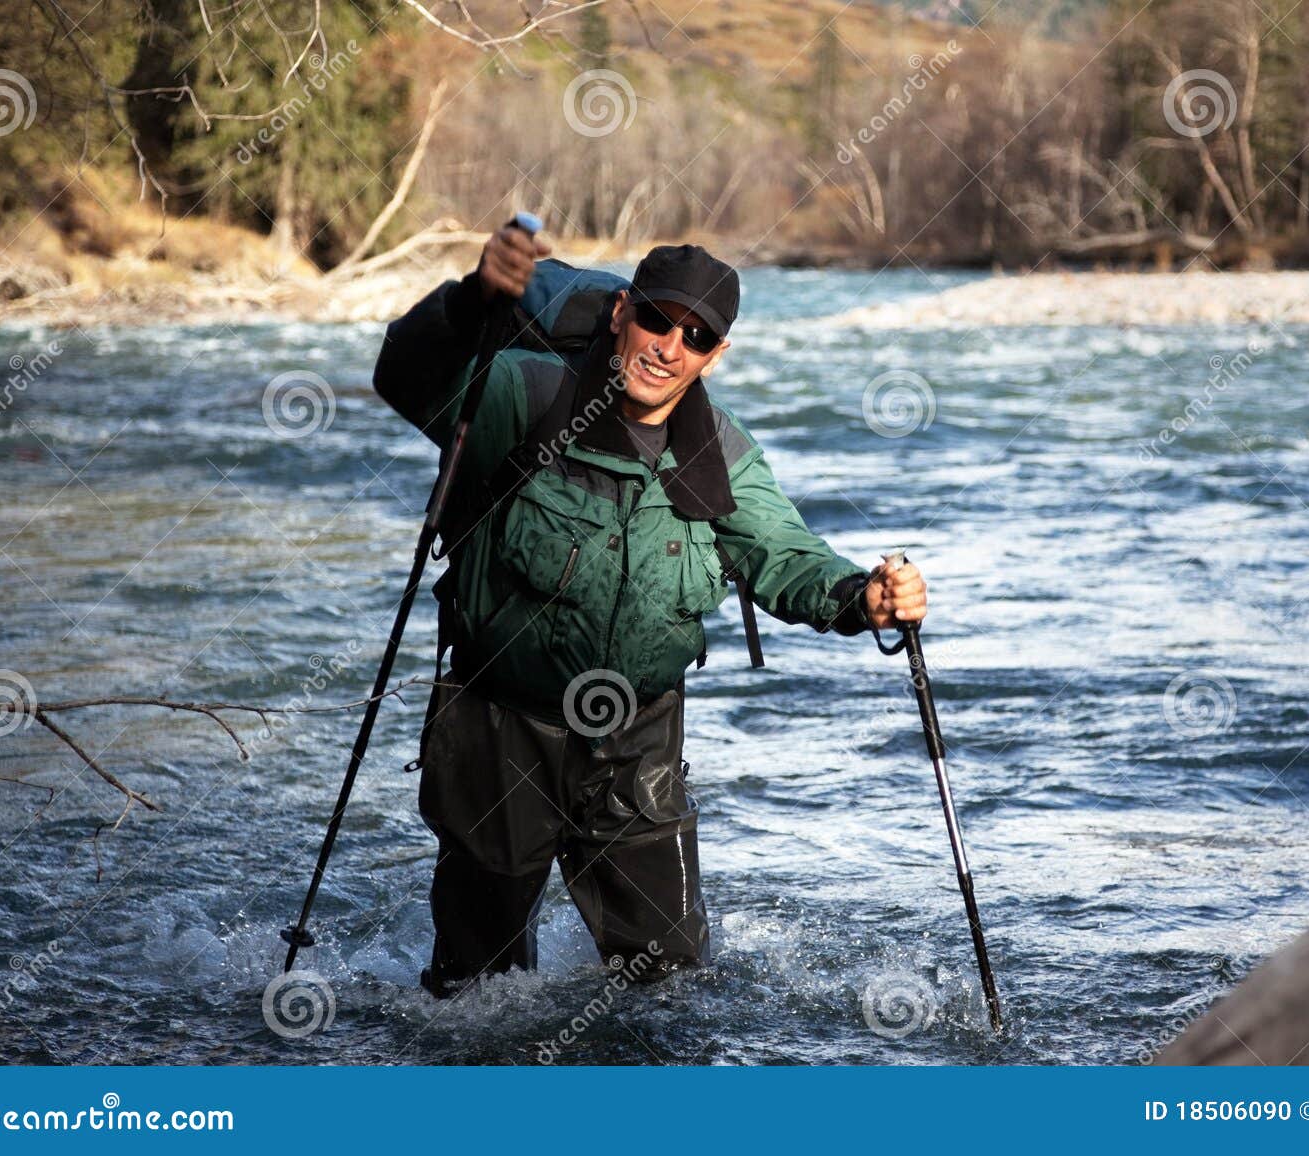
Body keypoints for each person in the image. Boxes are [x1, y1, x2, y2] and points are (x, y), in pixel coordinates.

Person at [373, 221, 928, 995]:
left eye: (696, 337)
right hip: (501, 729)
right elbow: (408, 376)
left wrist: (862, 597)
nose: (670, 345)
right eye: (659, 319)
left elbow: (787, 554)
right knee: (477, 991)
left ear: (715, 356)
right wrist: (470, 303)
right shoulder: (524, 395)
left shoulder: (720, 456)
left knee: (668, 985)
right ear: (620, 312)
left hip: (636, 746)